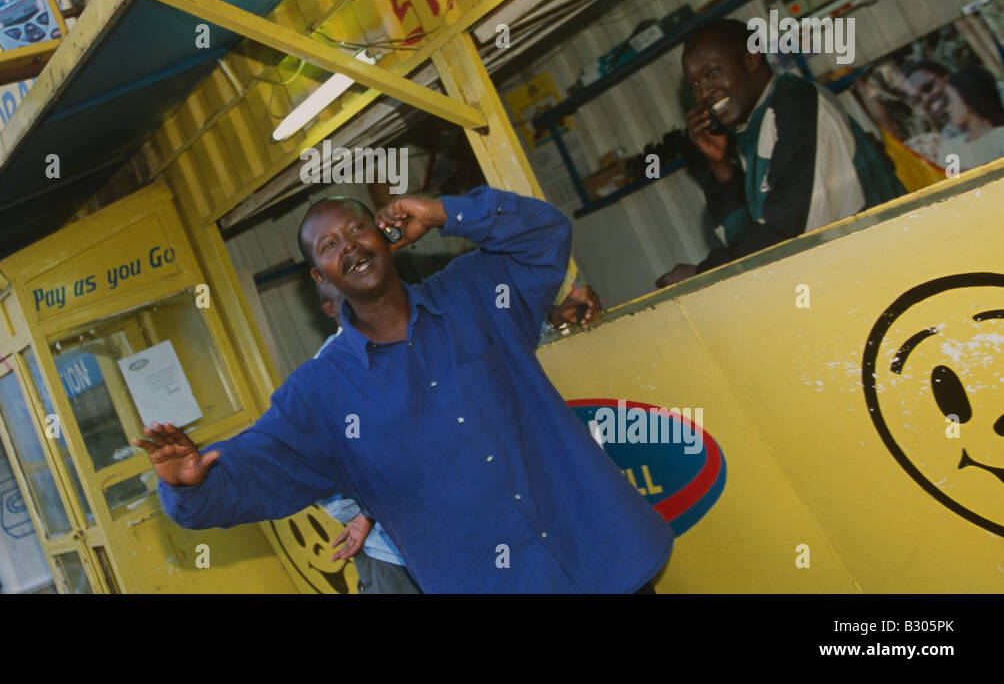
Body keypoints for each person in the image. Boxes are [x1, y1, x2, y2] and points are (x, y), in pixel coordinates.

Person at [136, 187, 672, 593]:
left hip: (608, 559)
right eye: (328, 246)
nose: (348, 246)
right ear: (321, 279)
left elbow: (544, 235)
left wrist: (445, 212)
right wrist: (188, 486)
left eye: (356, 229)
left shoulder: (474, 292)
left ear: (385, 236)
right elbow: (251, 474)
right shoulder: (320, 396)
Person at [657, 18, 905, 287]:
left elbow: (786, 234)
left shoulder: (797, 105)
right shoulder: (754, 127)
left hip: (888, 273)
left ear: (752, 59)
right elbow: (745, 237)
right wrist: (720, 166)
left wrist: (702, 274)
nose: (704, 92)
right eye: (694, 85)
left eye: (712, 73)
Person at [311, 280, 423, 594]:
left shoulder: (412, 343)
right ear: (330, 309)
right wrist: (366, 514)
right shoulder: (324, 378)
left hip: (449, 536)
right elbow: (317, 468)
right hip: (389, 555)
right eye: (347, 296)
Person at [939, 66, 1004, 171]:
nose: (947, 109)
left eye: (950, 100)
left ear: (968, 96)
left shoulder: (1001, 137)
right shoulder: (949, 148)